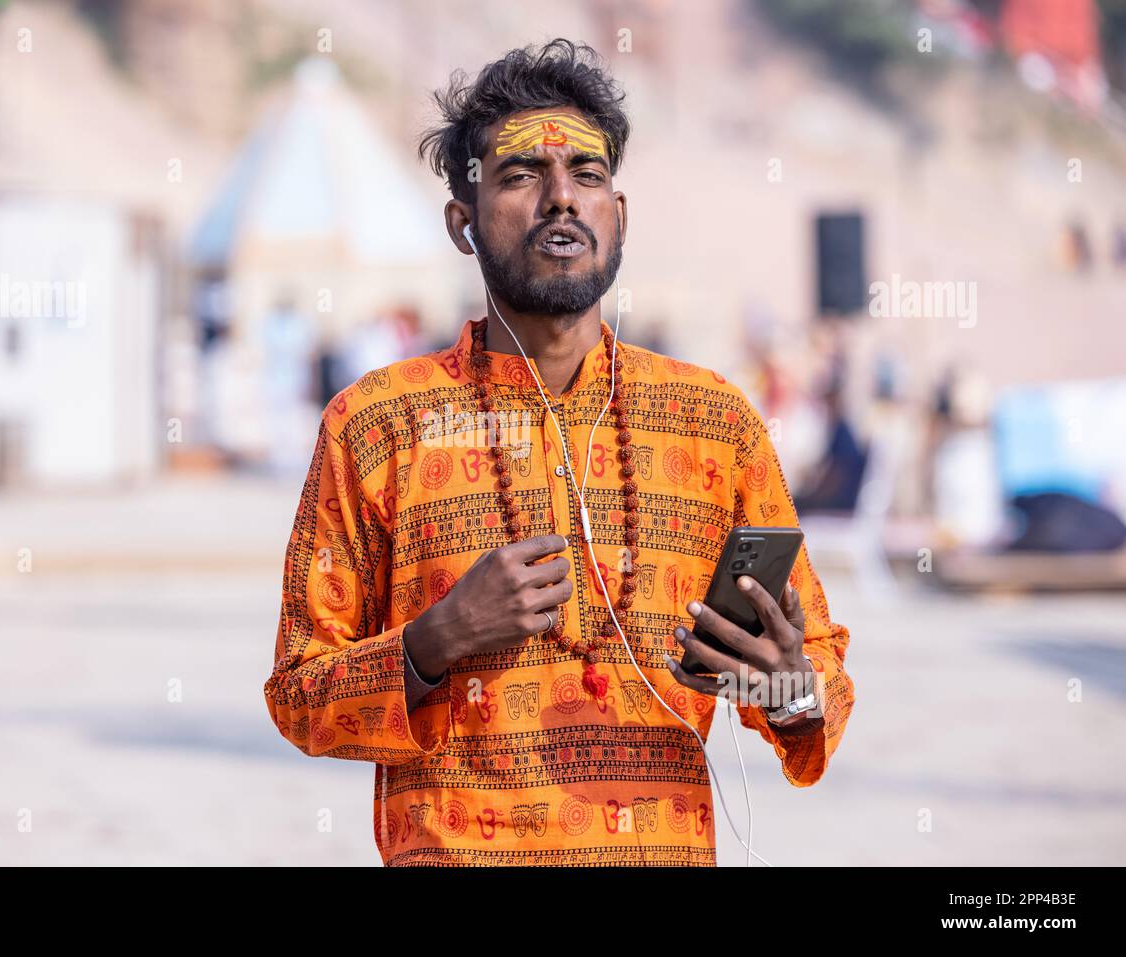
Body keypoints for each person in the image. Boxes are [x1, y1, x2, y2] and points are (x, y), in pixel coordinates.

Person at [264, 39, 855, 866]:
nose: (559, 199)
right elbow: (298, 694)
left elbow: (813, 684)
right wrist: (436, 638)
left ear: (619, 214)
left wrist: (781, 682)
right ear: (462, 225)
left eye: (585, 174)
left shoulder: (713, 423)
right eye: (518, 176)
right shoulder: (376, 424)